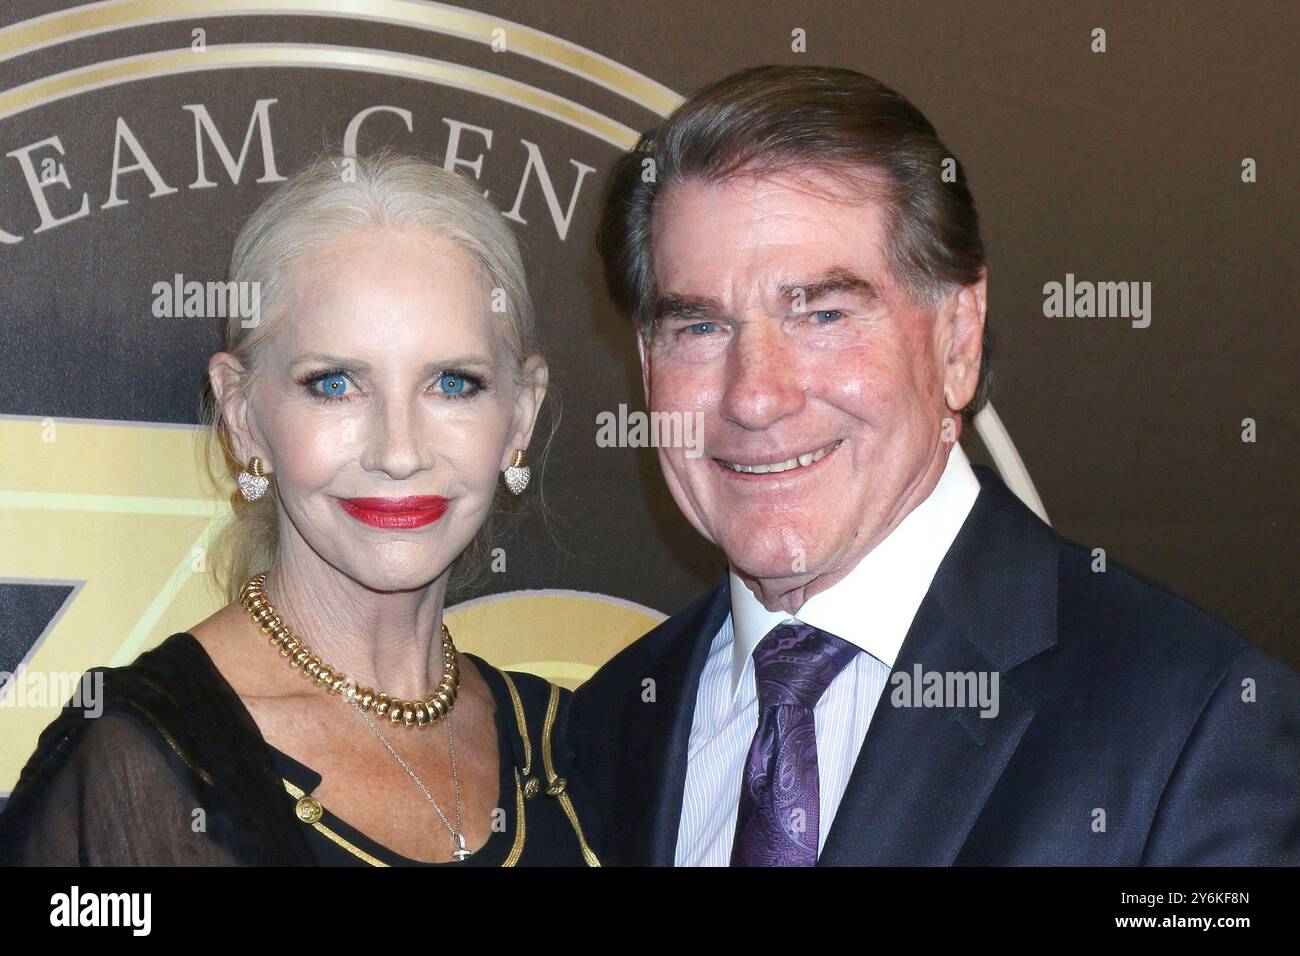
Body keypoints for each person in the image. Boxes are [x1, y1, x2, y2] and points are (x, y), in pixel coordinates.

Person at [570, 64, 1300, 866]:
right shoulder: (604, 734)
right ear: (645, 365)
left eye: (822, 312)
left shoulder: (1193, 725)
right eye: (700, 328)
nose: (755, 398)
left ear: (958, 341)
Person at [0, 150, 599, 866]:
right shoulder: (142, 763)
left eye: (453, 383)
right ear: (244, 416)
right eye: (336, 384)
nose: (399, 452)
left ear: (520, 418)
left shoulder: (576, 748)